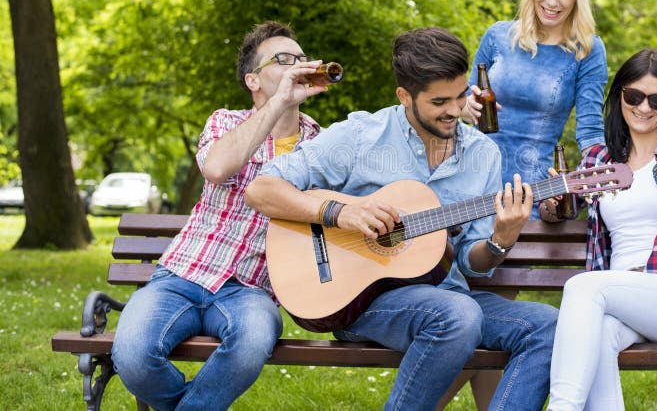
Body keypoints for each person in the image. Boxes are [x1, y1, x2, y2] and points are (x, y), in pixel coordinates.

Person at [245, 27, 558, 411]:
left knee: (547, 325)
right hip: (361, 301)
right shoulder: (361, 135)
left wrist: (500, 241)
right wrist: (343, 213)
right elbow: (261, 189)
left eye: (461, 95)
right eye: (439, 101)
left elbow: (470, 264)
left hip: (450, 295)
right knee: (458, 316)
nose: (455, 110)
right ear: (404, 96)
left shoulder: (484, 154)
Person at [111, 21, 330, 411]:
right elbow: (216, 168)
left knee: (251, 343)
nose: (298, 65)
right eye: (283, 59)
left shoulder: (322, 143)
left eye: (301, 58)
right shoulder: (225, 122)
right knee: (132, 356)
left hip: (251, 291)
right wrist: (278, 102)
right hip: (181, 275)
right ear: (253, 80)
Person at [540, 47, 657, 410]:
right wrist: (553, 204)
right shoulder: (599, 160)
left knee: (582, 286)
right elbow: (560, 209)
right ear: (619, 95)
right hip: (624, 300)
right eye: (635, 96)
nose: (644, 107)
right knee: (598, 335)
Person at [463, 0, 607, 218]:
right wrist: (467, 108)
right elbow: (461, 104)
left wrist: (606, 173)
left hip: (530, 191)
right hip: (472, 179)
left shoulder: (588, 50)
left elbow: (590, 132)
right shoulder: (497, 35)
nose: (552, 2)